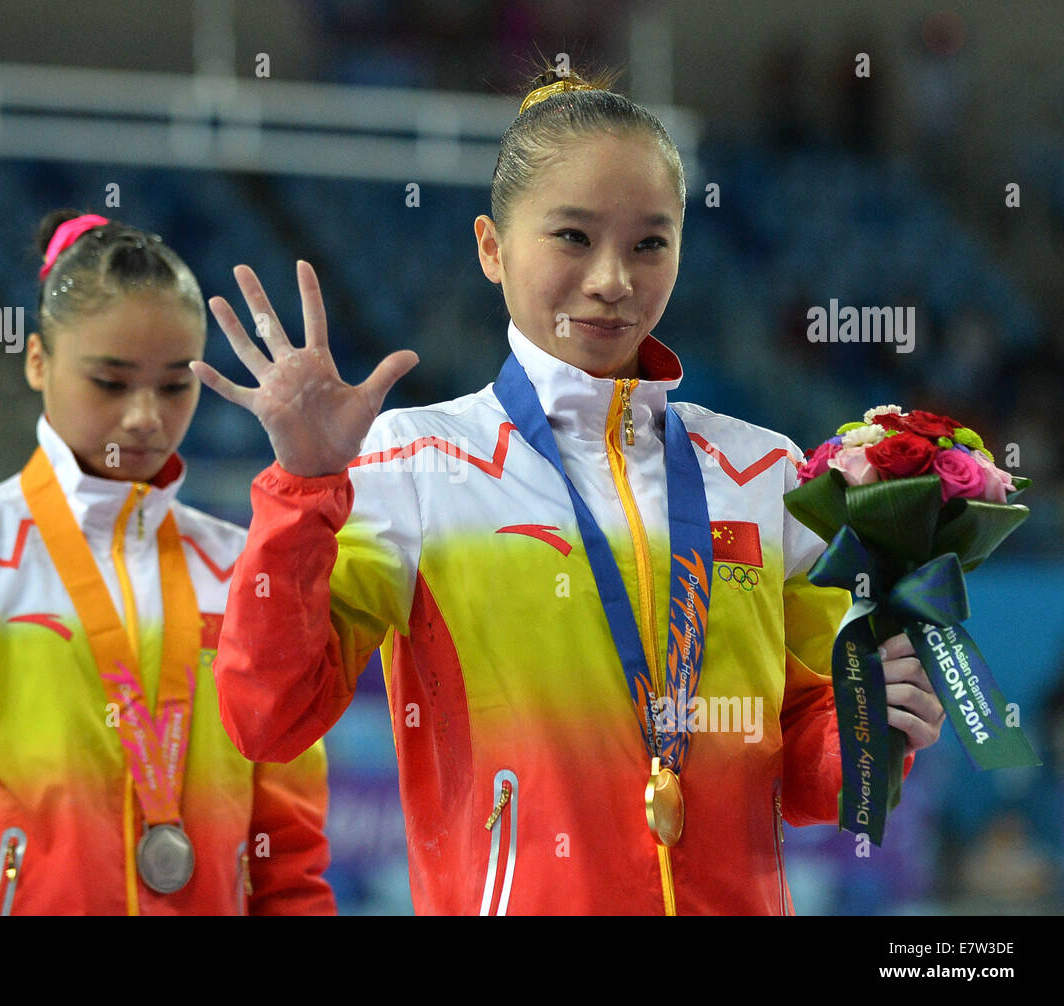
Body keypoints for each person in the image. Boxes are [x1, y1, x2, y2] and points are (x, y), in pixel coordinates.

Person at [195, 68, 947, 915]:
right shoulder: (415, 464)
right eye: (573, 237)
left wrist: (876, 725)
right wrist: (303, 486)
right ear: (491, 246)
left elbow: (814, 775)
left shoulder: (760, 472)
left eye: (649, 243)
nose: (613, 281)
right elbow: (268, 718)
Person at [0, 211, 335, 915]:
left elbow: (290, 870)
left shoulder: (248, 575)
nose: (145, 416)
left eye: (175, 385)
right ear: (37, 359)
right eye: (110, 382)